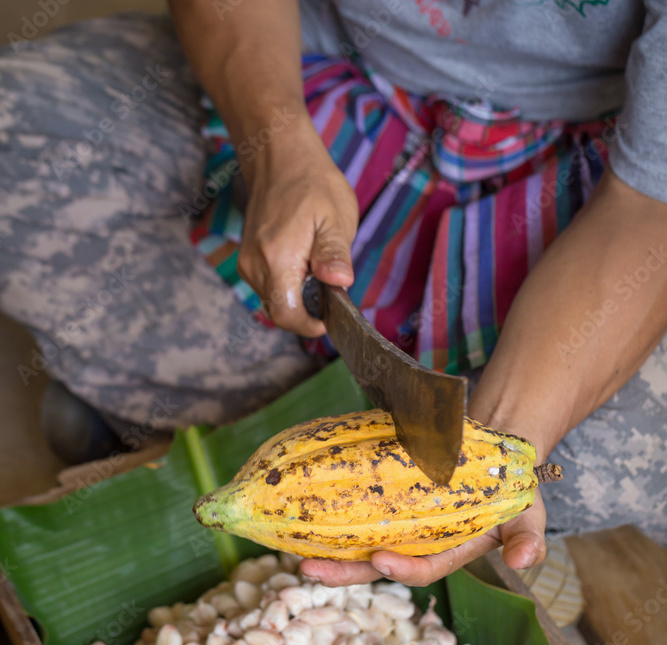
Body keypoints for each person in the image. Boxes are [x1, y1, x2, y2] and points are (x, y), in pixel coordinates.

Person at [0, 1, 665, 589]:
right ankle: (203, 413)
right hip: (313, 81)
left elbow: (646, 208)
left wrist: (501, 445)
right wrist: (276, 147)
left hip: (591, 184)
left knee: (624, 454)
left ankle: (178, 407)